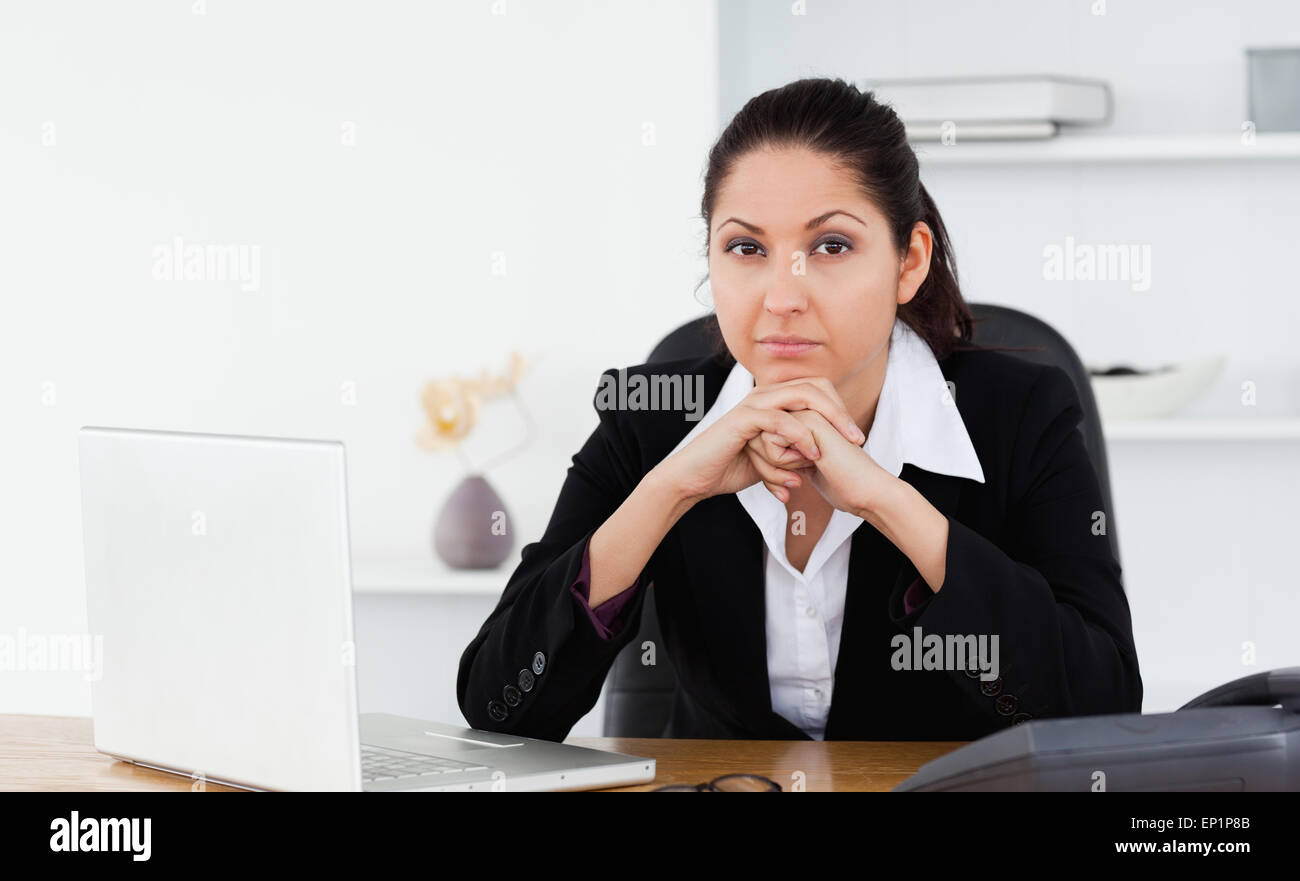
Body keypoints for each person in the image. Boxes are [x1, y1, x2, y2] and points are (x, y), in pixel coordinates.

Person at [457, 77, 1142, 742]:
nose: (783, 296)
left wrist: (885, 499)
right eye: (747, 248)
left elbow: (1099, 708)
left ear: (909, 262)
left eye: (831, 246)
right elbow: (498, 706)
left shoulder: (1020, 412)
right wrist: (669, 489)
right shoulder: (649, 418)